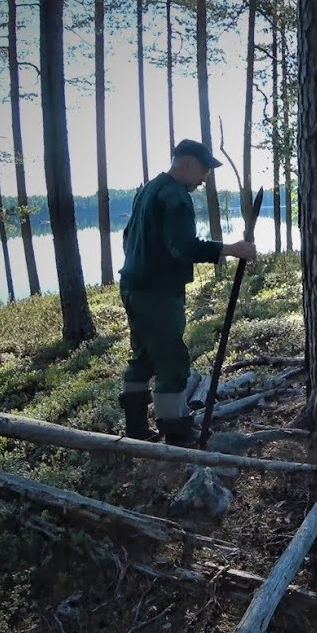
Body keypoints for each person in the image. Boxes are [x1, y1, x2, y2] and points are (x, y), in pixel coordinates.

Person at [116, 139, 257, 447]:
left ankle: (137, 430)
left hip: (132, 286)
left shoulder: (148, 190)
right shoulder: (175, 196)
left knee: (142, 356)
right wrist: (230, 249)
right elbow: (182, 247)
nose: (204, 178)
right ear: (188, 163)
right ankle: (177, 432)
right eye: (204, 170)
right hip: (157, 292)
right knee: (171, 360)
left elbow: (128, 238)